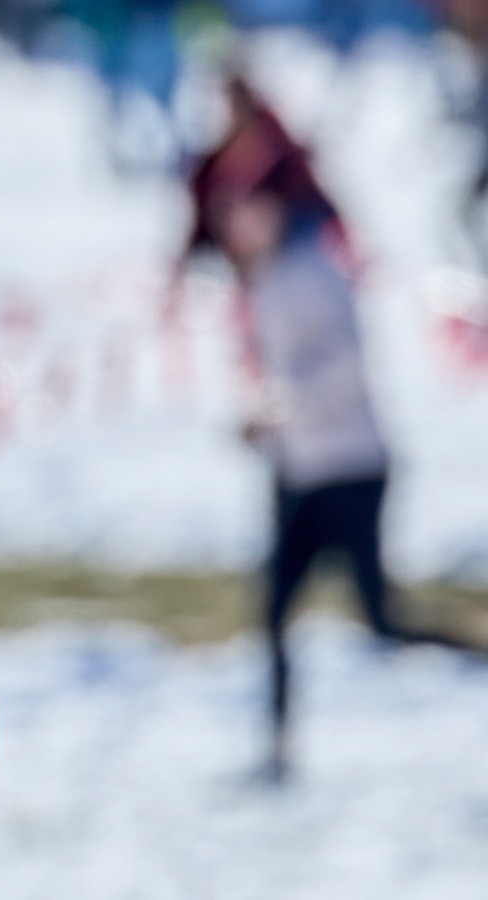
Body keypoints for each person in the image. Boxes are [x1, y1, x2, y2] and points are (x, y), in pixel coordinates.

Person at [176, 72, 481, 782]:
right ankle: (278, 752)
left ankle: (476, 658)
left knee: (379, 617)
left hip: (350, 465)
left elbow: (342, 371)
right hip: (299, 466)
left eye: (241, 212)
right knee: (275, 612)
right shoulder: (264, 278)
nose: (233, 229)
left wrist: (277, 409)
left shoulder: (312, 270)